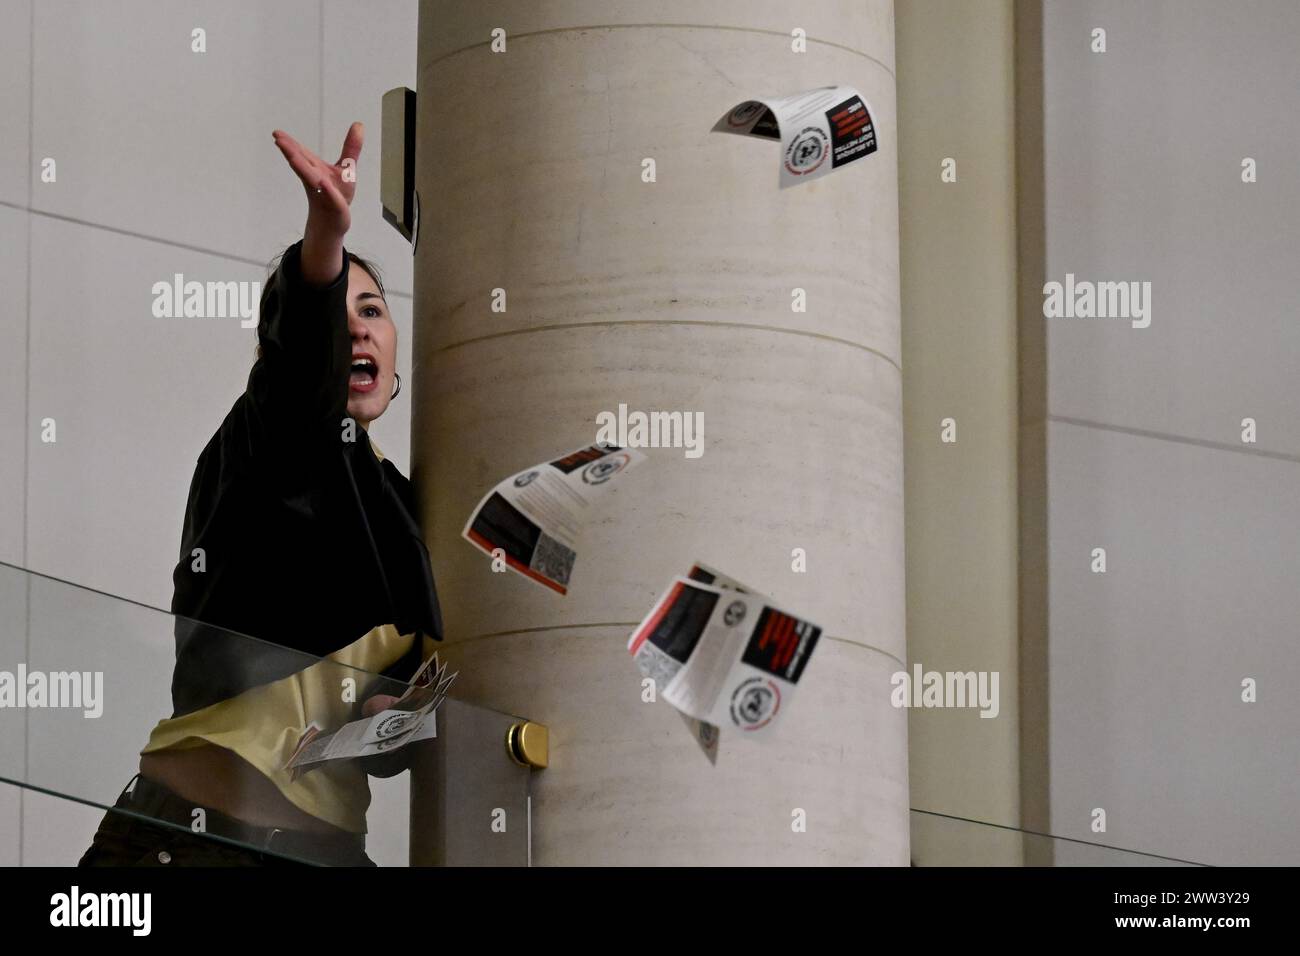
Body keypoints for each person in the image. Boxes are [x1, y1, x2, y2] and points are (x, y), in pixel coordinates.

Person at [77, 122, 443, 867]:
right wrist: (326, 234)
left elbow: (378, 713)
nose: (356, 332)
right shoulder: (260, 447)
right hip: (180, 839)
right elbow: (295, 367)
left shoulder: (407, 518)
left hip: (323, 853)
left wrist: (394, 716)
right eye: (337, 315)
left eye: (372, 312)